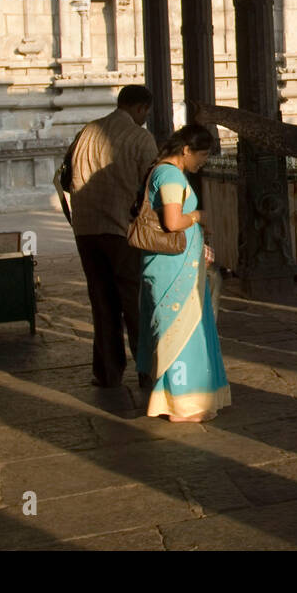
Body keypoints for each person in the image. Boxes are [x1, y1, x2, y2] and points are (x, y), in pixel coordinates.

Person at [137, 124, 231, 422]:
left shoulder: (167, 172)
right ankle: (182, 404)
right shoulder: (170, 174)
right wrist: (199, 216)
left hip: (180, 266)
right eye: (201, 154)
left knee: (187, 331)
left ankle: (187, 400)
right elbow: (174, 222)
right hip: (173, 270)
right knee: (181, 333)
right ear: (186, 150)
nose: (202, 161)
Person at [69, 85, 158, 388]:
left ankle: (107, 372)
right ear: (140, 108)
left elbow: (67, 176)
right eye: (146, 112)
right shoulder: (140, 137)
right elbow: (153, 185)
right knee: (135, 303)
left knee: (102, 301)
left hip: (86, 229)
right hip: (123, 229)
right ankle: (147, 370)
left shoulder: (88, 132)